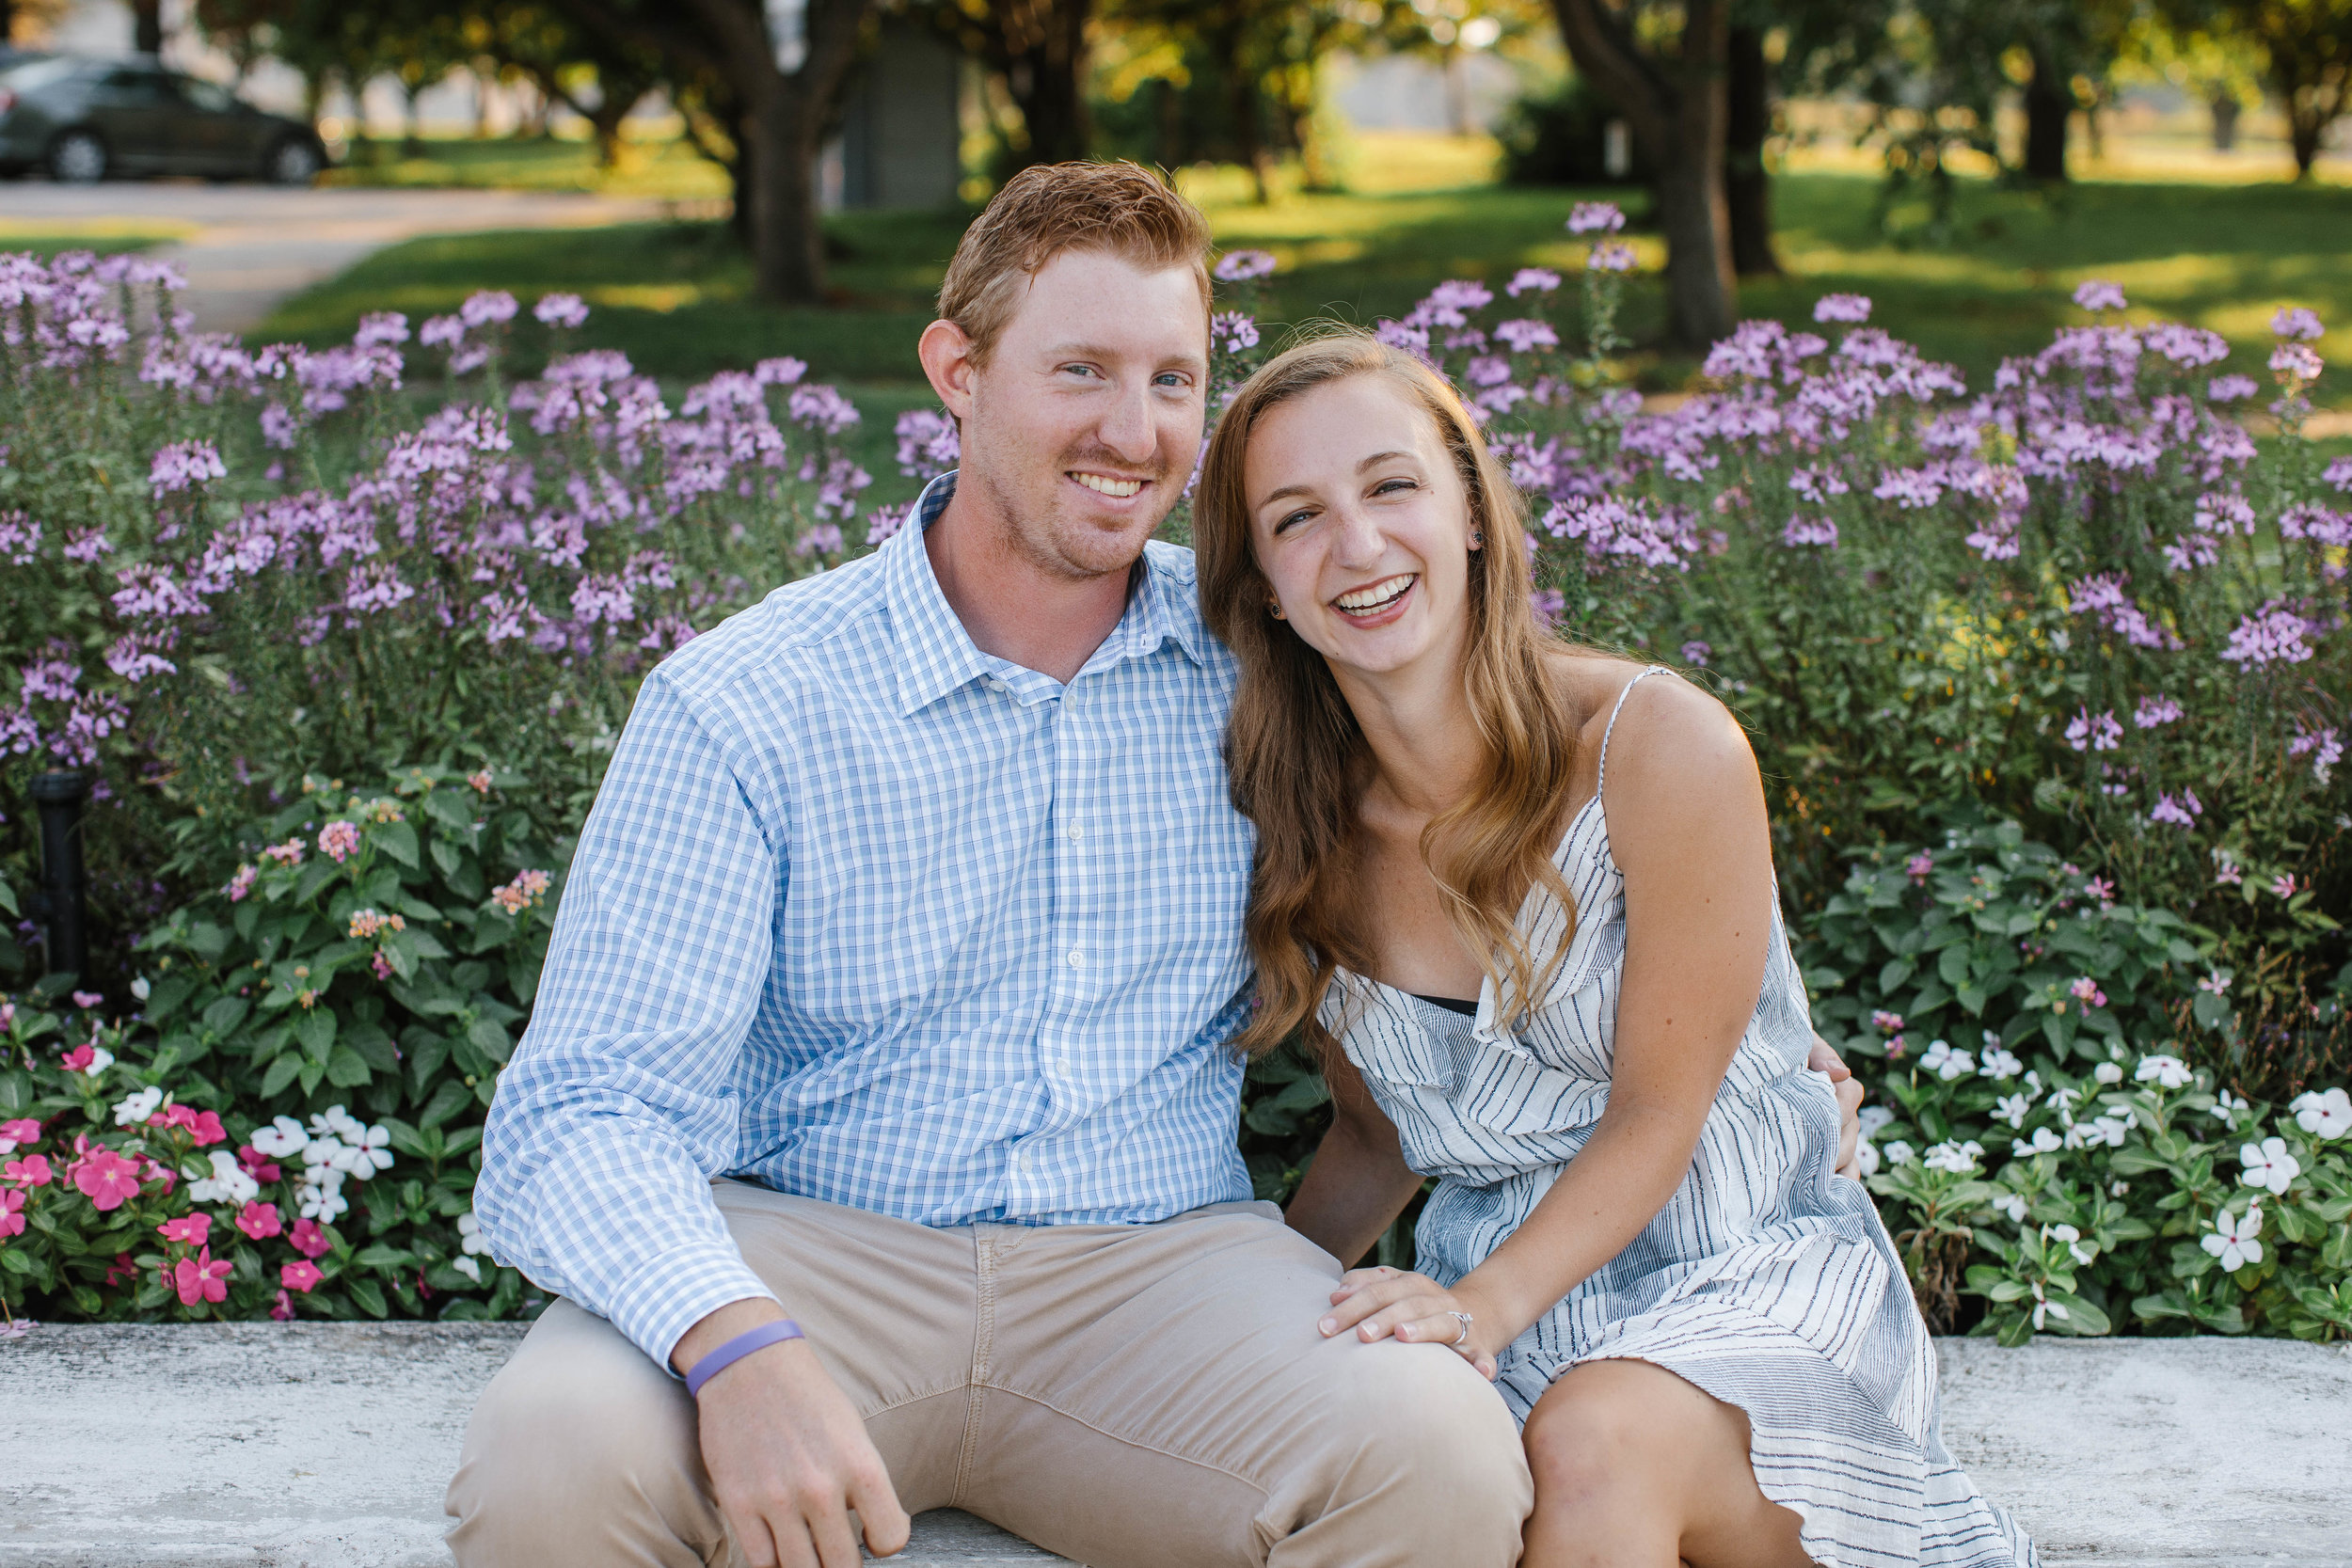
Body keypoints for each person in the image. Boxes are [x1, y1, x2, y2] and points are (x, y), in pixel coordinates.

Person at [446, 162, 1862, 1568]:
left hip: (1159, 1271)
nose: (1133, 432)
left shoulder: (1276, 664)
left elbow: (1513, 790)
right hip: (810, 1258)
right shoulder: (746, 701)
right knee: (558, 1464)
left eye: (1173, 381)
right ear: (956, 372)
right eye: (1081, 370)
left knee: (1433, 1454)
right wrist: (733, 1343)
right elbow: (584, 1104)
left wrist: (1748, 1051)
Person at [1192, 331, 2039, 1568]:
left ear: (1470, 512)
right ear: (1265, 584)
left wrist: (1478, 1310)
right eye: (1297, 517)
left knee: (1588, 1445)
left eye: (1391, 486)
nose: (1358, 546)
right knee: (1444, 1466)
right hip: (1511, 1312)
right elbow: (1378, 1140)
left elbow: (1659, 1116)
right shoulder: (1306, 834)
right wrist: (1255, 1325)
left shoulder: (1657, 747)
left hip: (1745, 1275)